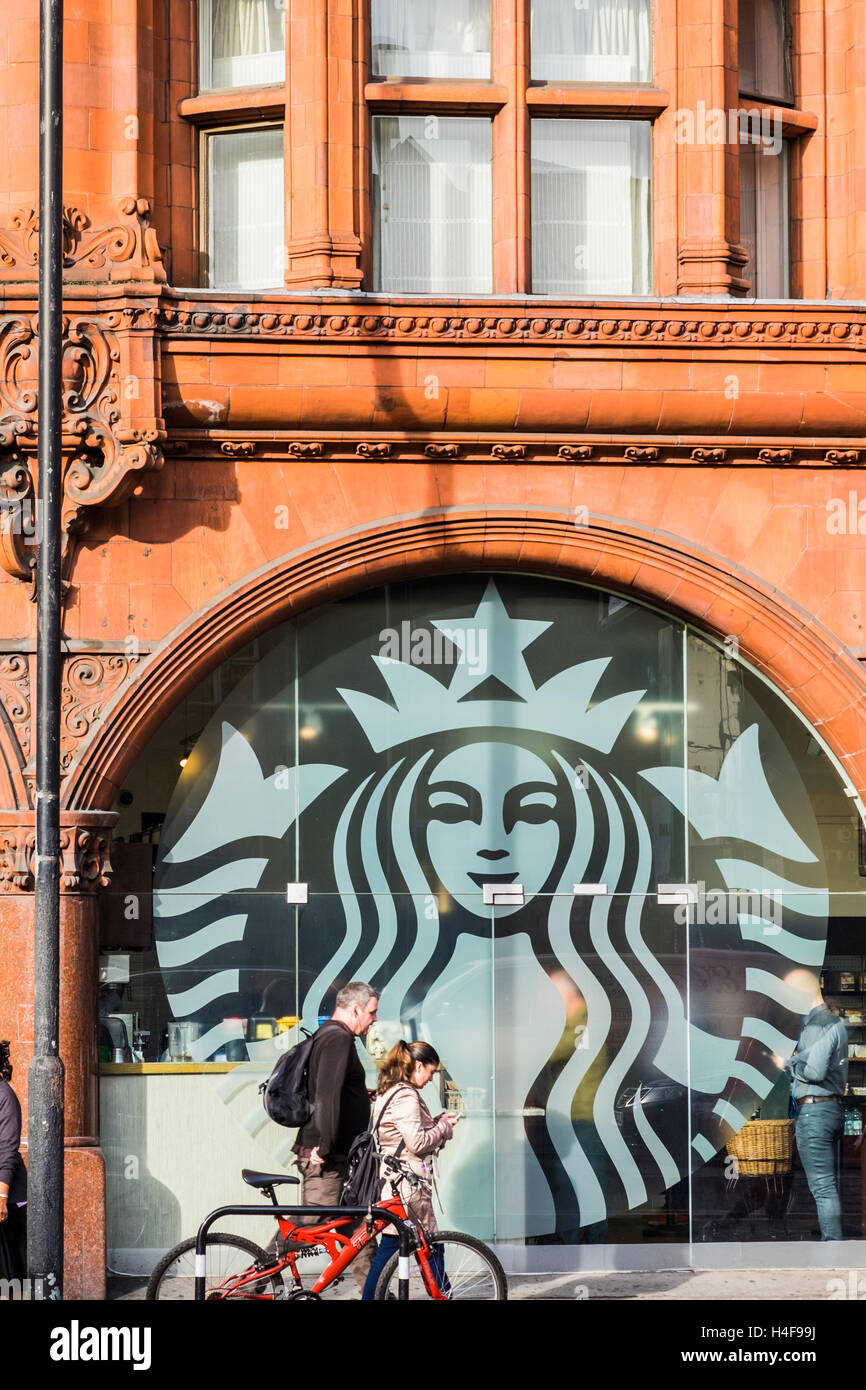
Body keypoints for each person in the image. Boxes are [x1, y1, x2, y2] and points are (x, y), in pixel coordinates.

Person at [291, 981, 379, 1293]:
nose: (374, 1019)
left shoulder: (332, 1036)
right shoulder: (338, 1038)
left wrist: (360, 1095)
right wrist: (325, 1147)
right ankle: (256, 1280)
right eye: (371, 1012)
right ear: (355, 1009)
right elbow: (326, 1097)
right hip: (327, 1157)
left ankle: (376, 1293)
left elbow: (332, 1090)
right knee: (307, 1228)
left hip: (341, 1156)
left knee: (361, 1231)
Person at [362, 1039, 459, 1300]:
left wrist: (437, 1122)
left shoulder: (390, 1090)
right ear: (418, 1065)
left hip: (395, 1180)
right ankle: (443, 1295)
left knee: (392, 1245)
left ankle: (371, 1298)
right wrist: (445, 1128)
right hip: (407, 1183)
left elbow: (404, 1134)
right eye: (430, 1071)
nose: (430, 1078)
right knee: (430, 1245)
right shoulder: (405, 1094)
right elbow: (416, 1143)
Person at [775, 969, 848, 1241]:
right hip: (829, 1110)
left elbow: (814, 1072)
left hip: (815, 1111)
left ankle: (833, 1247)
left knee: (823, 1187)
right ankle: (832, 1239)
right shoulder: (831, 1023)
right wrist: (794, 1063)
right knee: (828, 1185)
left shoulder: (818, 1026)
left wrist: (787, 1065)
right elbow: (810, 1062)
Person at [0, 1041, 27, 1283]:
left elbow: (7, 1149)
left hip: (9, 1195)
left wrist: (1, 1198)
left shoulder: (4, 1095)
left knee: (13, 1273)